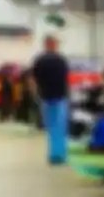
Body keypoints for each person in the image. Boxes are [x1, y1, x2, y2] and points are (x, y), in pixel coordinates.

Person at [27, 35, 71, 165]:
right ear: (54, 44)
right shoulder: (61, 59)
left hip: (46, 97)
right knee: (60, 127)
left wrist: (35, 94)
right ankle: (60, 155)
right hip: (59, 97)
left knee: (52, 127)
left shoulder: (39, 60)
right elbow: (66, 79)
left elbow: (32, 79)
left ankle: (53, 155)